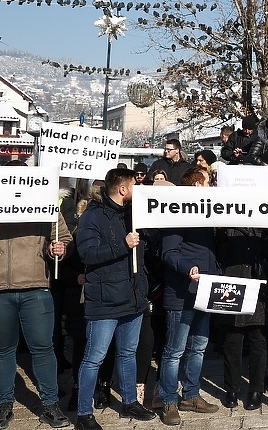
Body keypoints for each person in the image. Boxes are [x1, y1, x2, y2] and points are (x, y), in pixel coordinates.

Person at [0, 168, 73, 430]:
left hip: (36, 287)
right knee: (2, 349)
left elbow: (63, 238)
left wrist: (58, 248)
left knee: (43, 348)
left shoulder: (45, 204)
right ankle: (4, 404)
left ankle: (50, 404)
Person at [73, 168, 157, 430]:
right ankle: (84, 413)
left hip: (132, 296)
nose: (137, 187)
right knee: (94, 357)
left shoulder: (132, 212)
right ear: (122, 189)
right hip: (105, 300)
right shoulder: (93, 215)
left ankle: (130, 401)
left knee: (128, 353)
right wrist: (123, 244)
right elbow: (87, 253)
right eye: (134, 184)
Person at [157, 167, 222, 425]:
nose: (211, 187)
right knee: (174, 350)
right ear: (196, 185)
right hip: (181, 293)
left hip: (204, 292)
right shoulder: (177, 211)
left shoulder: (205, 213)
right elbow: (169, 253)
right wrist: (188, 269)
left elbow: (209, 253)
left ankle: (191, 394)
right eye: (208, 182)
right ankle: (169, 400)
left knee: (199, 347)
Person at [216, 221, 268, 411]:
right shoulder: (225, 225)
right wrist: (222, 235)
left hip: (257, 288)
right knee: (232, 342)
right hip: (233, 286)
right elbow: (220, 255)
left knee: (258, 340)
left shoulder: (263, 224)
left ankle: (256, 389)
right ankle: (231, 389)